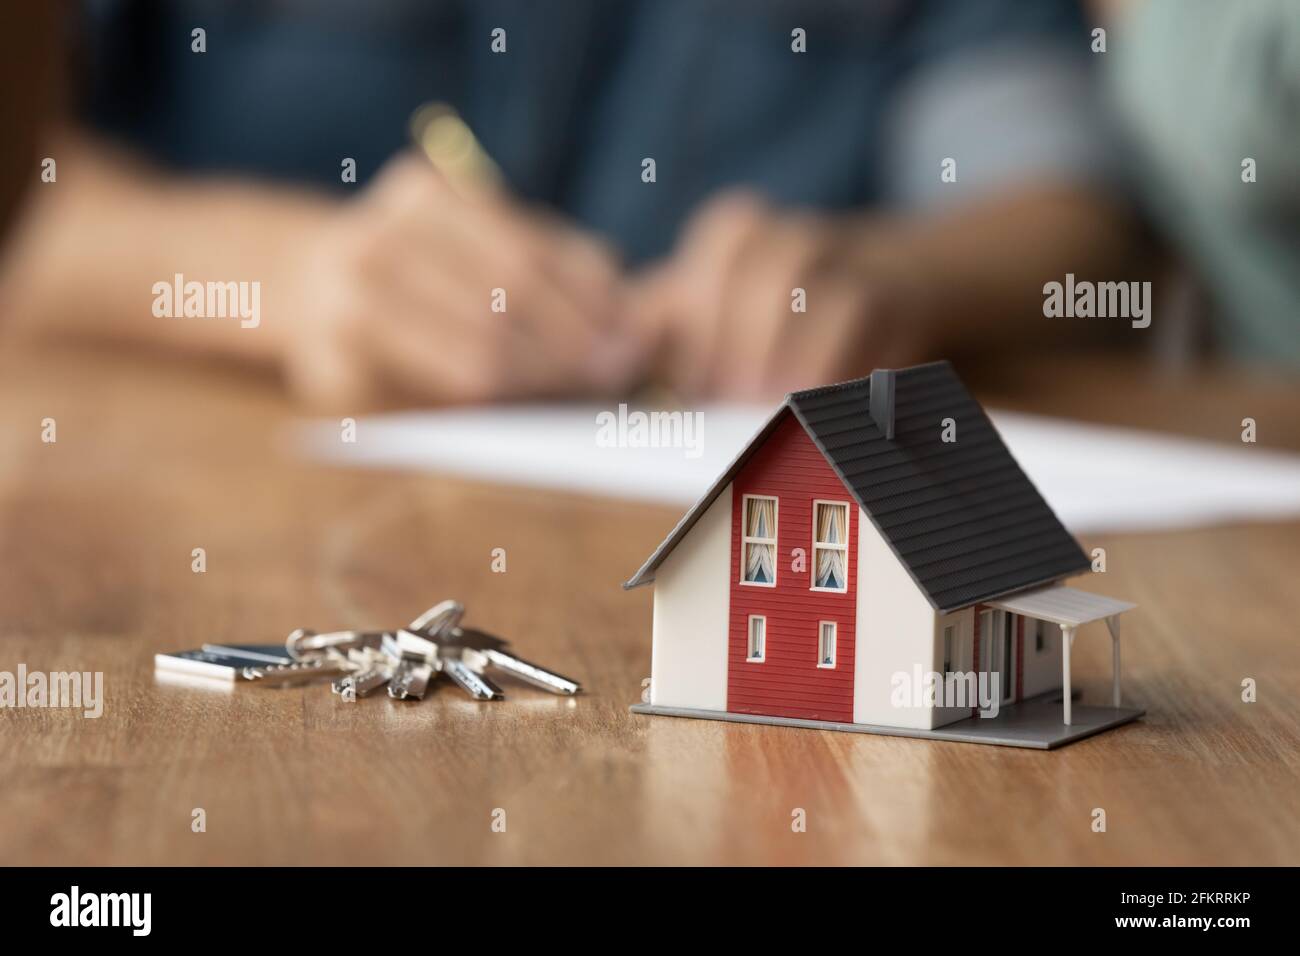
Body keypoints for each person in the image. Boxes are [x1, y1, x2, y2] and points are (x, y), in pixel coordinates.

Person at [0, 0, 1148, 409]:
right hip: (216, 513)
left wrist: (908, 276)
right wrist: (290, 281)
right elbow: (31, 203)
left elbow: (1076, 226)